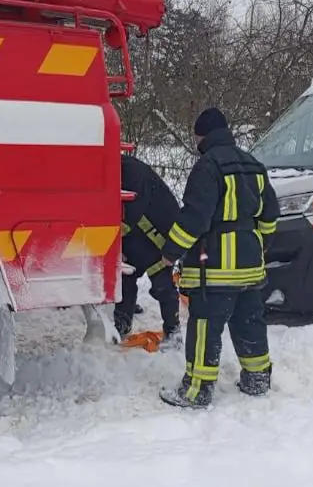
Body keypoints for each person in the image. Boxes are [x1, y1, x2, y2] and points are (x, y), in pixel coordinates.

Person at [157, 108, 280, 408]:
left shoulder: (207, 167)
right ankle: (257, 379)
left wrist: (170, 252)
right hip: (250, 268)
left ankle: (196, 390)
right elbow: (270, 216)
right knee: (249, 322)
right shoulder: (254, 166)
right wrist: (259, 245)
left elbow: (195, 219)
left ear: (202, 135)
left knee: (204, 327)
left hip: (214, 270)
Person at [116, 152, 182, 350]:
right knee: (127, 276)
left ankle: (173, 330)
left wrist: (115, 242)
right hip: (140, 234)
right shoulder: (120, 169)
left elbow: (130, 213)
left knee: (161, 283)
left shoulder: (131, 173)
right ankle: (122, 322)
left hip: (159, 235)